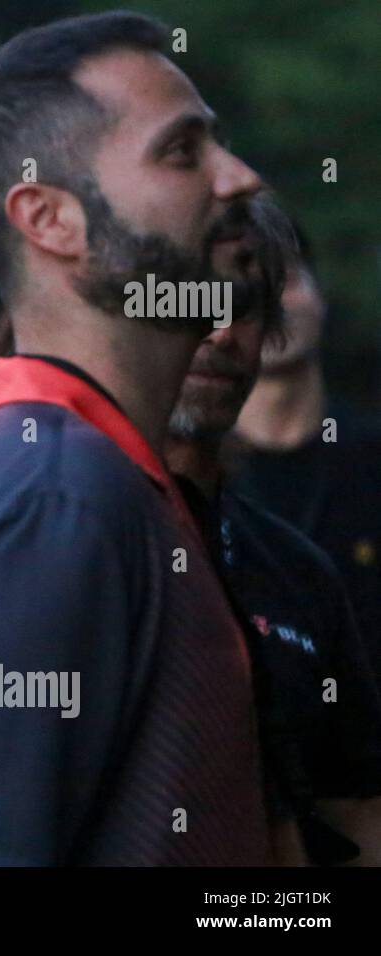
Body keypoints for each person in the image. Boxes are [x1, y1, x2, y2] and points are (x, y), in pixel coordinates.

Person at [0, 11, 270, 865]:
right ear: (51, 219)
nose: (238, 178)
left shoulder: (100, 476)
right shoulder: (54, 499)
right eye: (181, 151)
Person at [162, 200, 381, 866]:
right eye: (192, 297)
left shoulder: (294, 566)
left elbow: (357, 804)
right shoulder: (40, 516)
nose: (221, 328)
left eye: (248, 303)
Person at [231, 225, 381, 679]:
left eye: (288, 280)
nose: (273, 304)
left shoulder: (370, 456)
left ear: (320, 295)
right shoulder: (188, 479)